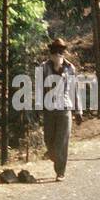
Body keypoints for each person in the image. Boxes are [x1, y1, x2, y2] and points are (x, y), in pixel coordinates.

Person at [35, 39, 82, 182]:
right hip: (49, 108)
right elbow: (38, 89)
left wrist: (78, 111)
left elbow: (75, 89)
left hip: (65, 108)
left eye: (60, 50)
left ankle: (60, 171)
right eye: (55, 50)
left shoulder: (70, 68)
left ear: (63, 52)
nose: (57, 53)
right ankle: (53, 155)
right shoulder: (43, 68)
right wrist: (37, 107)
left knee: (62, 141)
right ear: (50, 52)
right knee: (49, 140)